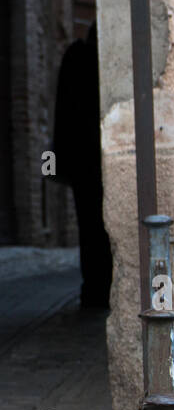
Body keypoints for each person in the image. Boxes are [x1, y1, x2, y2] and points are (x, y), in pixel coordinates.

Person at [53, 20, 112, 308]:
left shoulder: (74, 58)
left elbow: (61, 116)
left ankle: (94, 289)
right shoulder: (84, 59)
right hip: (91, 159)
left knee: (90, 227)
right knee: (96, 227)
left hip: (81, 161)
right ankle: (98, 289)